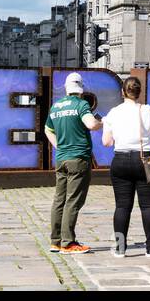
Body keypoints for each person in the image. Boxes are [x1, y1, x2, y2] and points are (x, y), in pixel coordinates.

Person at [100, 76, 150, 258]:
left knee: (122, 207)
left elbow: (106, 142)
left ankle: (120, 248)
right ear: (139, 93)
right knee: (148, 206)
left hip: (121, 160)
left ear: (123, 92)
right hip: (145, 159)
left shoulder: (113, 113)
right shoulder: (146, 110)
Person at [44, 72, 101, 254]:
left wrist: (59, 145)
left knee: (59, 199)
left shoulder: (56, 107)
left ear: (67, 88)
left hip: (61, 158)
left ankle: (56, 241)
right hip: (78, 158)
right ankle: (68, 243)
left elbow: (47, 129)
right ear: (81, 89)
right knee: (73, 200)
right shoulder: (81, 104)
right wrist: (101, 122)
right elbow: (91, 124)